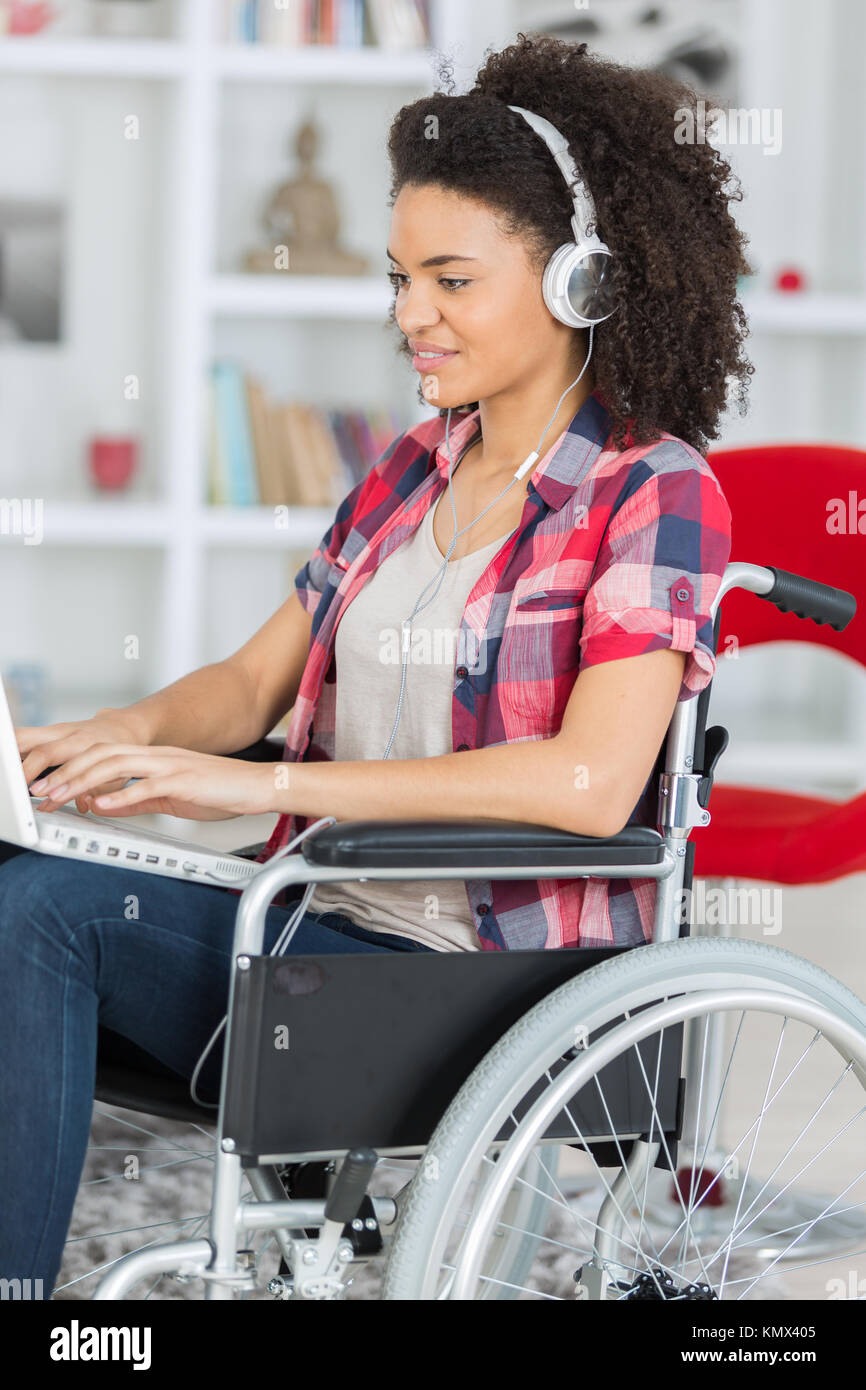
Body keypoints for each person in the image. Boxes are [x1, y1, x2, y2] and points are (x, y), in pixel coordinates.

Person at [0, 33, 749, 1295]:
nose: (410, 316)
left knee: (48, 915)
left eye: (450, 280)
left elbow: (584, 782)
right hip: (323, 933)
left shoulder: (654, 492)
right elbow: (250, 687)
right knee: (25, 861)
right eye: (400, 276)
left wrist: (263, 792)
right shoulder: (408, 470)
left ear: (578, 280)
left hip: (480, 979)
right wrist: (96, 743)